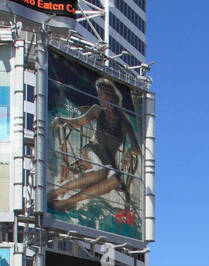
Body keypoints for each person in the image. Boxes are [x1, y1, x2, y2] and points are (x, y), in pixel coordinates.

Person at [47, 76, 141, 220]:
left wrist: (129, 151)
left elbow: (136, 147)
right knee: (99, 170)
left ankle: (66, 202)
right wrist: (61, 119)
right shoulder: (97, 110)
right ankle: (54, 193)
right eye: (99, 95)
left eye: (103, 95)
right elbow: (78, 122)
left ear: (111, 96)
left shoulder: (123, 120)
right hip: (91, 150)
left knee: (115, 179)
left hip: (108, 161)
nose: (100, 98)